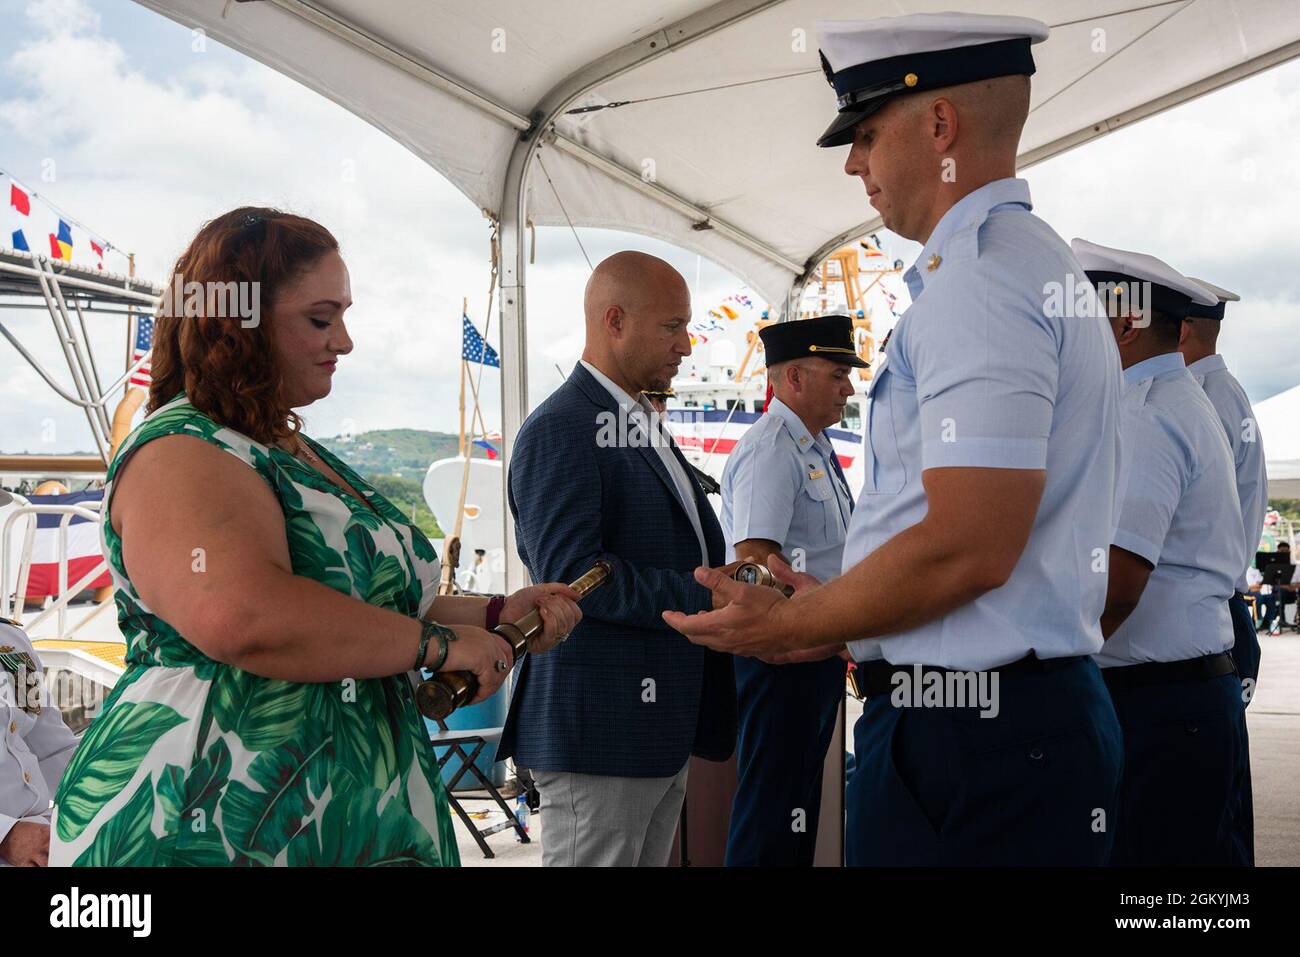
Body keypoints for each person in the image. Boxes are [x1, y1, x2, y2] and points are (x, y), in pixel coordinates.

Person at [665, 12, 1124, 866]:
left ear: (939, 125)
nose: (854, 163)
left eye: (867, 133)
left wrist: (793, 624)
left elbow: (966, 547)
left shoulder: (981, 281)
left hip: (971, 742)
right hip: (999, 725)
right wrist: (835, 610)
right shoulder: (1024, 262)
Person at [49, 208, 581, 866]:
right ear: (240, 319)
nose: (345, 342)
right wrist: (442, 645)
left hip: (342, 818)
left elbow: (363, 605)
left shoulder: (291, 448)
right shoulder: (179, 449)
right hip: (209, 820)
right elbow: (244, 614)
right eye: (321, 318)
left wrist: (498, 612)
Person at [503, 250, 736, 867]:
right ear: (614, 321)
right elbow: (573, 579)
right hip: (600, 732)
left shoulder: (635, 420)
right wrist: (708, 594)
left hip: (652, 729)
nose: (686, 345)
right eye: (672, 327)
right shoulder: (563, 427)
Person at [1074, 239, 1250, 866]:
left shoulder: (1143, 417)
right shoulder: (1176, 402)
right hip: (1183, 698)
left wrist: (1052, 679)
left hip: (1156, 705)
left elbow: (1119, 583)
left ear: (1124, 324)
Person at [720, 316, 858, 866]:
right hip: (781, 659)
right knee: (773, 810)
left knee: (797, 805)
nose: (848, 386)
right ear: (794, 378)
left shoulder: (815, 447)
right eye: (838, 373)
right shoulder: (773, 448)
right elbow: (754, 562)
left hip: (813, 648)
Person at [1179, 278, 1265, 697]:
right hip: (1222, 598)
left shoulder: (1202, 398)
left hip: (1213, 601)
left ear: (1181, 329)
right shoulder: (1224, 392)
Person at [0, 604, 79, 867]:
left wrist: (110, 788)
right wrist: (6, 835)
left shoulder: (9, 639)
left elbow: (50, 745)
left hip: (44, 840)